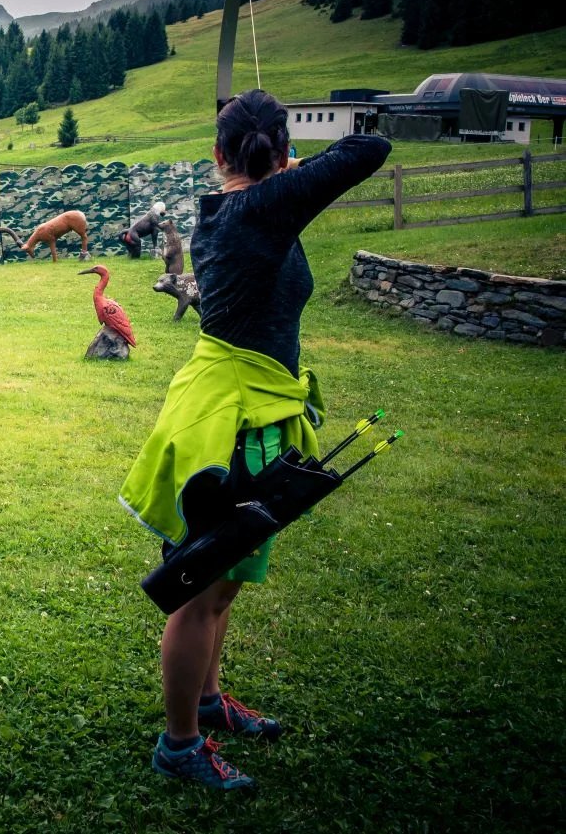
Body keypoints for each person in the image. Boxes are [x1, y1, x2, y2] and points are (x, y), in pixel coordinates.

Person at [119, 90, 391, 789]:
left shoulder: (230, 208)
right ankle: (179, 745)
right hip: (228, 416)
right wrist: (287, 164)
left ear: (217, 156)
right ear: (278, 154)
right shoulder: (260, 207)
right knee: (197, 584)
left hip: (253, 408)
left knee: (226, 580)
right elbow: (369, 149)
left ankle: (207, 704)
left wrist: (269, 158)